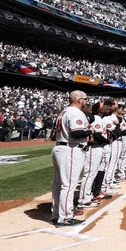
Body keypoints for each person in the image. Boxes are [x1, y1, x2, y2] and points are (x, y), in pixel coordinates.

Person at [51, 90, 91, 226]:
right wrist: (90, 131)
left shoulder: (64, 112)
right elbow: (76, 133)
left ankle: (57, 214)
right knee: (68, 185)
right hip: (71, 148)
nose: (86, 101)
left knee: (59, 184)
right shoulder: (76, 113)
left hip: (60, 147)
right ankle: (66, 217)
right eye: (85, 99)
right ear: (79, 100)